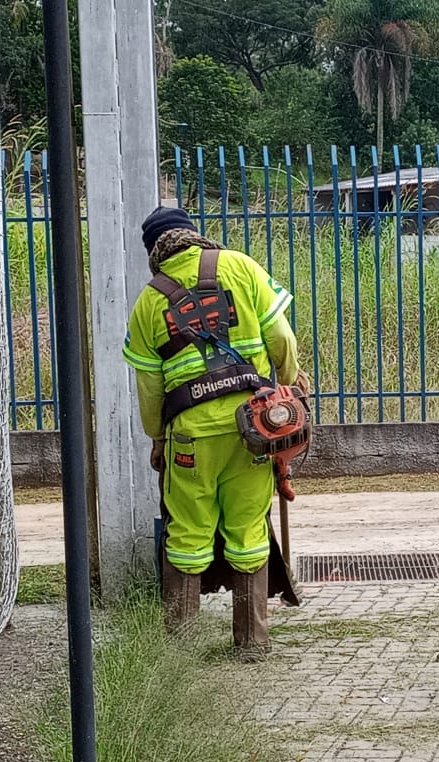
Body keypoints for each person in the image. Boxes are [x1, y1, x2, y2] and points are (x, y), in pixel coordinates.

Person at [123, 206, 305, 658]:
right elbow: (281, 336)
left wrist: (158, 439)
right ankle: (252, 643)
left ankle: (180, 652)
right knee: (248, 530)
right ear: (193, 236)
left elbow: (149, 388)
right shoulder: (241, 266)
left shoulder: (149, 301)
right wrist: (290, 382)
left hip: (191, 438)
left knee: (187, 537)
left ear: (155, 253)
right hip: (256, 427)